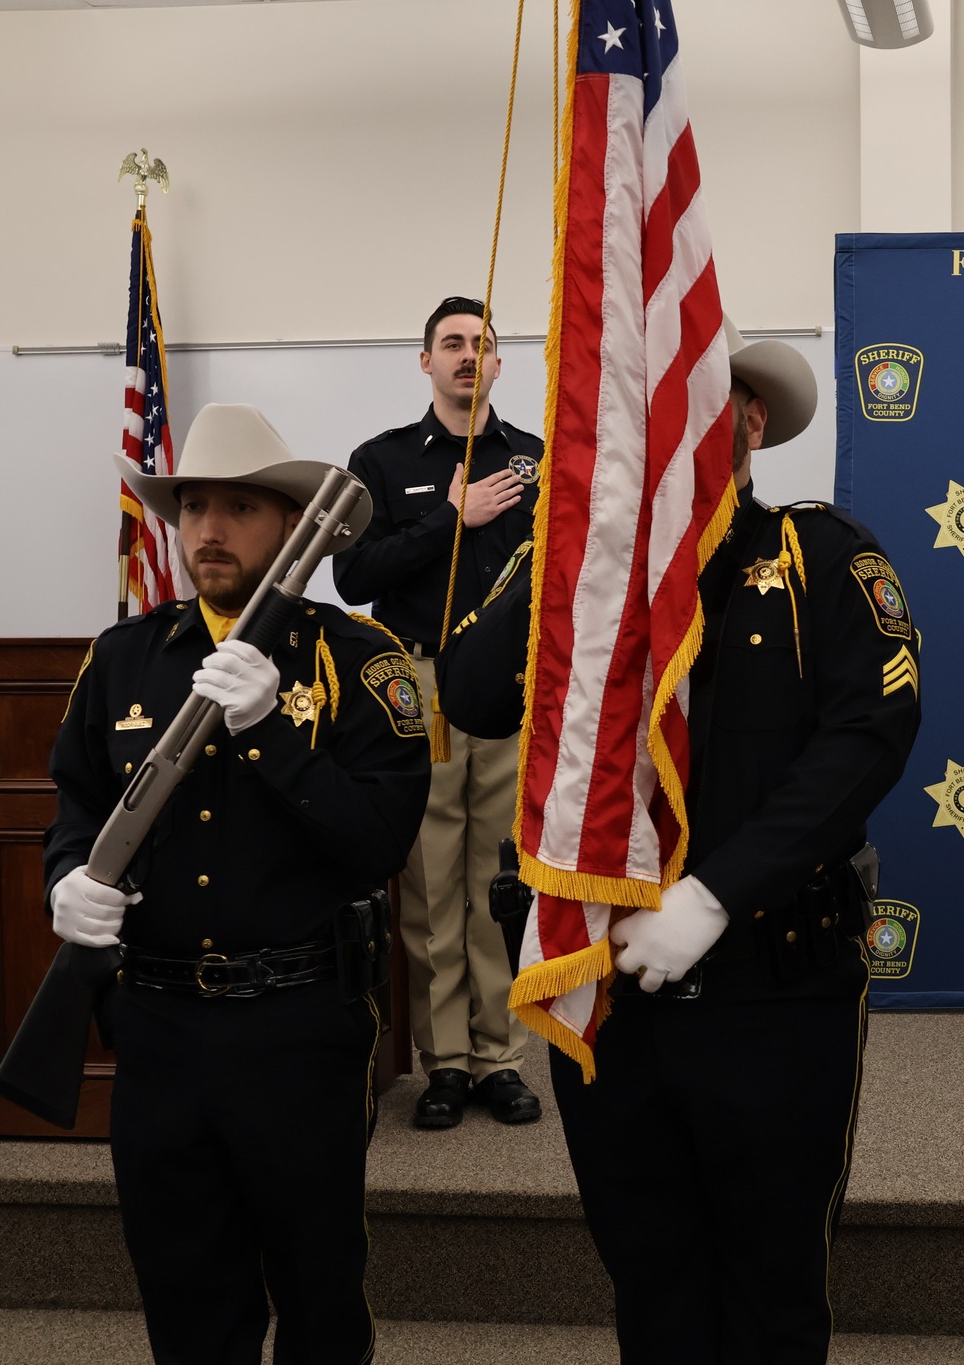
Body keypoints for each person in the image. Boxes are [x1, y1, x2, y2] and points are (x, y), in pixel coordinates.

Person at [438, 321, 922, 1364]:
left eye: (701, 400)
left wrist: (715, 894)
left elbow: (867, 738)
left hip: (771, 985)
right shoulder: (577, 565)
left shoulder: (820, 554)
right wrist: (573, 542)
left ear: (749, 421)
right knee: (650, 1281)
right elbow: (473, 694)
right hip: (610, 990)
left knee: (773, 1287)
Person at [44, 403, 431, 1364]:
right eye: (194, 506)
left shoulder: (361, 660)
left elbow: (380, 839)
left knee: (318, 1292)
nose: (210, 530)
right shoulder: (124, 656)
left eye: (241, 507)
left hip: (297, 1025)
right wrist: (63, 879)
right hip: (159, 1026)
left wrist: (273, 736)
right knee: (185, 1298)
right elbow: (77, 803)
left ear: (293, 523)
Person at [333, 297, 543, 1129]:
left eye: (481, 344)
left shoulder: (537, 455)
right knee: (426, 880)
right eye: (451, 343)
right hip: (414, 684)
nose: (467, 355)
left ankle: (500, 1057)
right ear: (425, 362)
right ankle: (444, 1062)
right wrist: (450, 517)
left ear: (498, 364)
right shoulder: (381, 461)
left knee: (500, 876)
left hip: (508, 690)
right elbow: (352, 578)